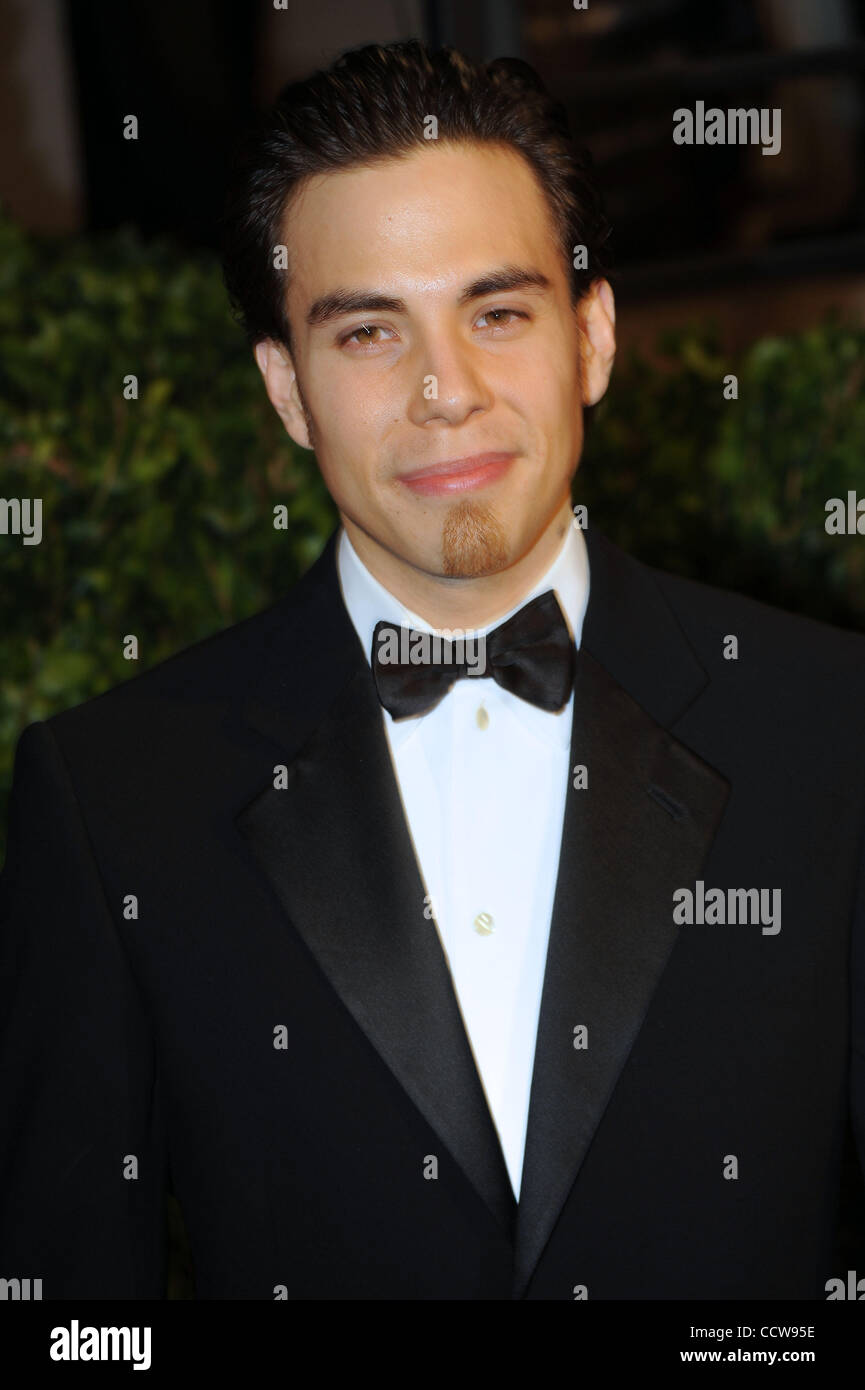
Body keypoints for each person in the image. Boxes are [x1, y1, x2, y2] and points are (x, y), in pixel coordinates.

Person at [1, 38, 864, 1302]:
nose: (443, 390)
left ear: (593, 338)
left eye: (497, 312)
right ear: (287, 388)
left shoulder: (830, 728)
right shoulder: (112, 799)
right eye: (367, 333)